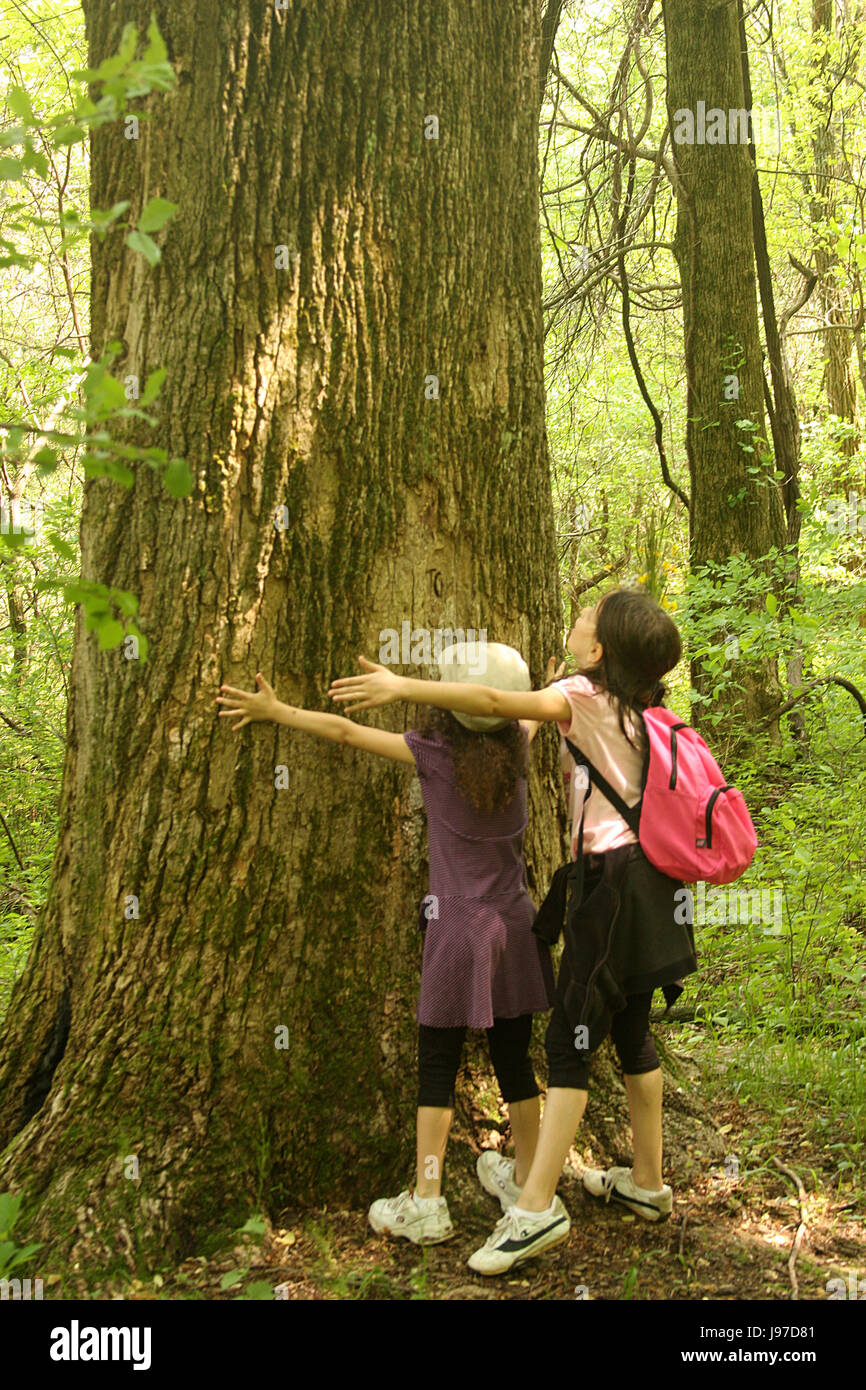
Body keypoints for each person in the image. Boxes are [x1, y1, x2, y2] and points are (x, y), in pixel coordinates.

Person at [329, 587, 697, 1275]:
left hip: (608, 887)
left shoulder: (580, 702)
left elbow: (498, 707)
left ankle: (533, 1209)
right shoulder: (649, 706)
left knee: (567, 1045)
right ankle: (648, 1184)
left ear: (600, 653)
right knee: (633, 1033)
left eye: (585, 625)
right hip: (658, 887)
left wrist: (400, 683)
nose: (575, 626)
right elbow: (512, 722)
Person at [216, 641, 556, 1246]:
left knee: (436, 1067)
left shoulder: (431, 751)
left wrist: (279, 712)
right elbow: (525, 711)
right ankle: (529, 1180)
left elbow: (346, 734)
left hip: (457, 927)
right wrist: (551, 682)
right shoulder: (520, 747)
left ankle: (428, 1199)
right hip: (516, 923)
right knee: (514, 1059)